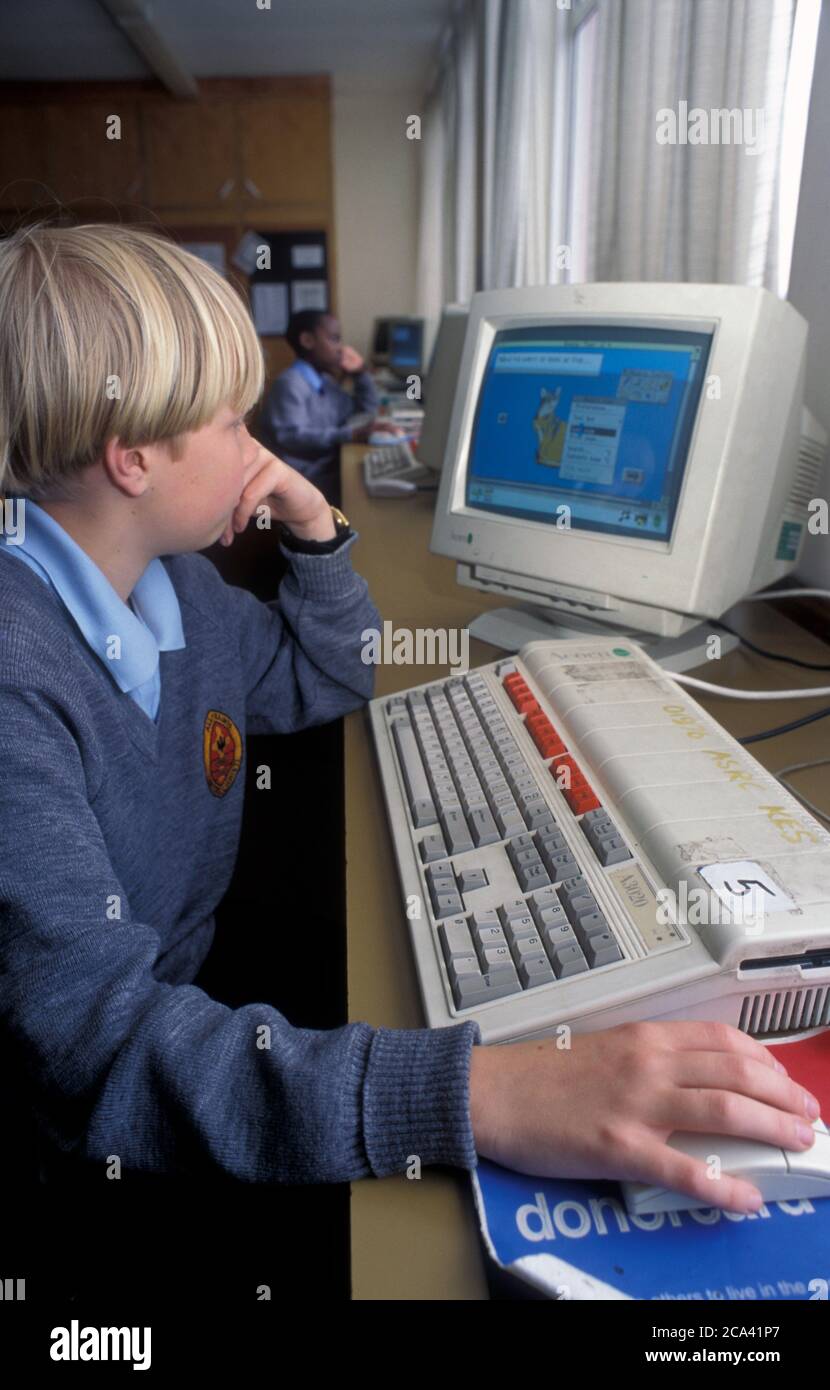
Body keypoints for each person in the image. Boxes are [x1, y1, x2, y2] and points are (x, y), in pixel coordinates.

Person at [0, 224, 819, 1220]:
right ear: (133, 459)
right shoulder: (19, 678)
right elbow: (103, 1058)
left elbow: (330, 675)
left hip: (189, 974)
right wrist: (475, 1092)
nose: (256, 448)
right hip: (81, 1131)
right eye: (234, 421)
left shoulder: (176, 589)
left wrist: (315, 528)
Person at [258, 309, 379, 504]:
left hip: (323, 469)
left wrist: (360, 374)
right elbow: (292, 436)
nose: (341, 349)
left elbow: (365, 408)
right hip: (302, 479)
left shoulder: (324, 381)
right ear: (307, 340)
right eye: (334, 339)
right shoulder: (290, 384)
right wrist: (349, 435)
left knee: (366, 478)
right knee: (363, 490)